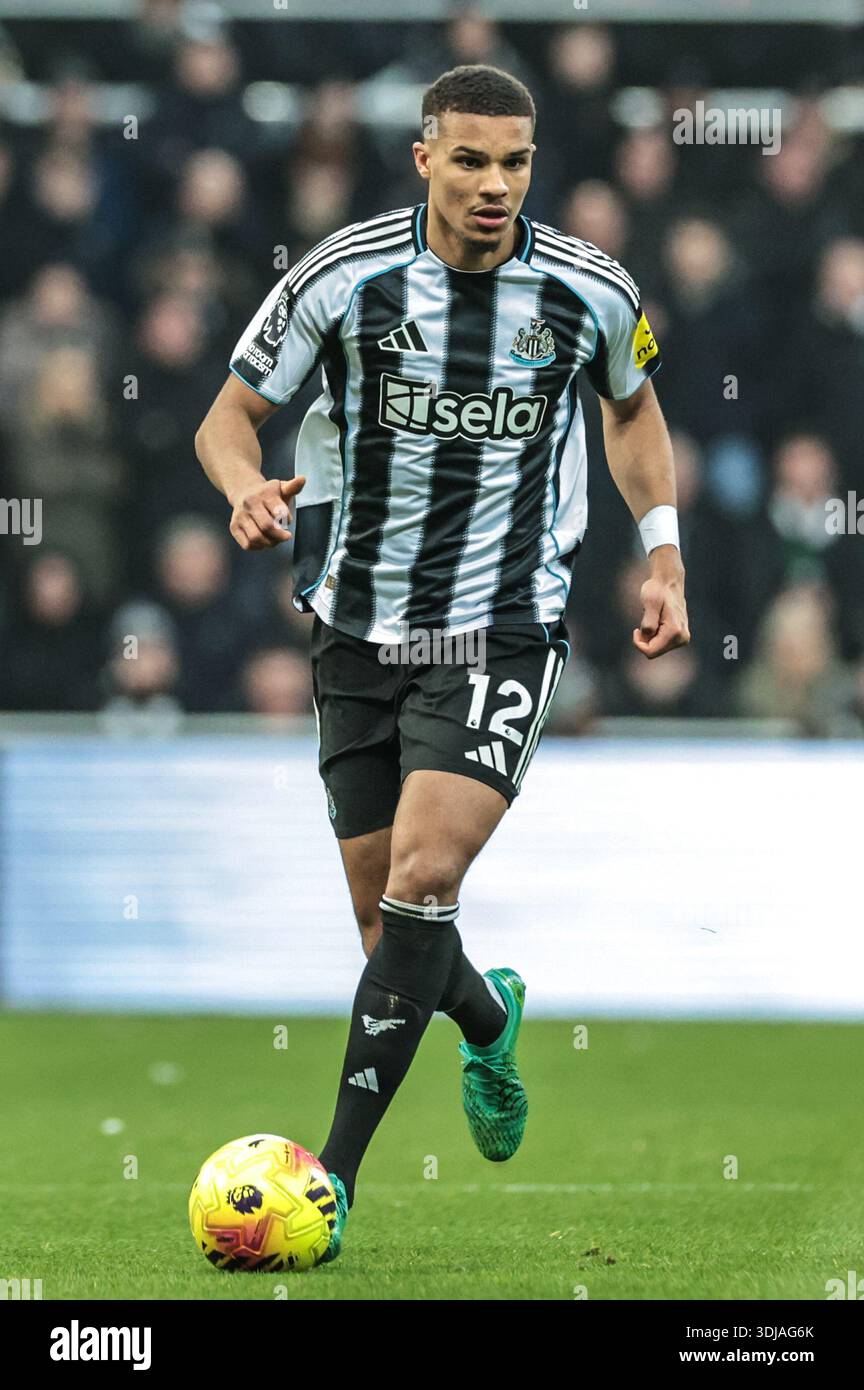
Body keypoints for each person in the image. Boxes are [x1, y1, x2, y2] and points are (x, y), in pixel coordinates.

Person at [194, 63, 689, 1264]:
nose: (494, 185)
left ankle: (330, 1181)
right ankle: (488, 1011)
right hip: (356, 634)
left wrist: (663, 554)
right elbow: (226, 417)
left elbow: (632, 406)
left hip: (503, 627)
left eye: (515, 163)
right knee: (389, 933)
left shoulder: (587, 288)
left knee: (423, 876)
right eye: (469, 159)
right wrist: (242, 491)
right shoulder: (342, 275)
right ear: (424, 157)